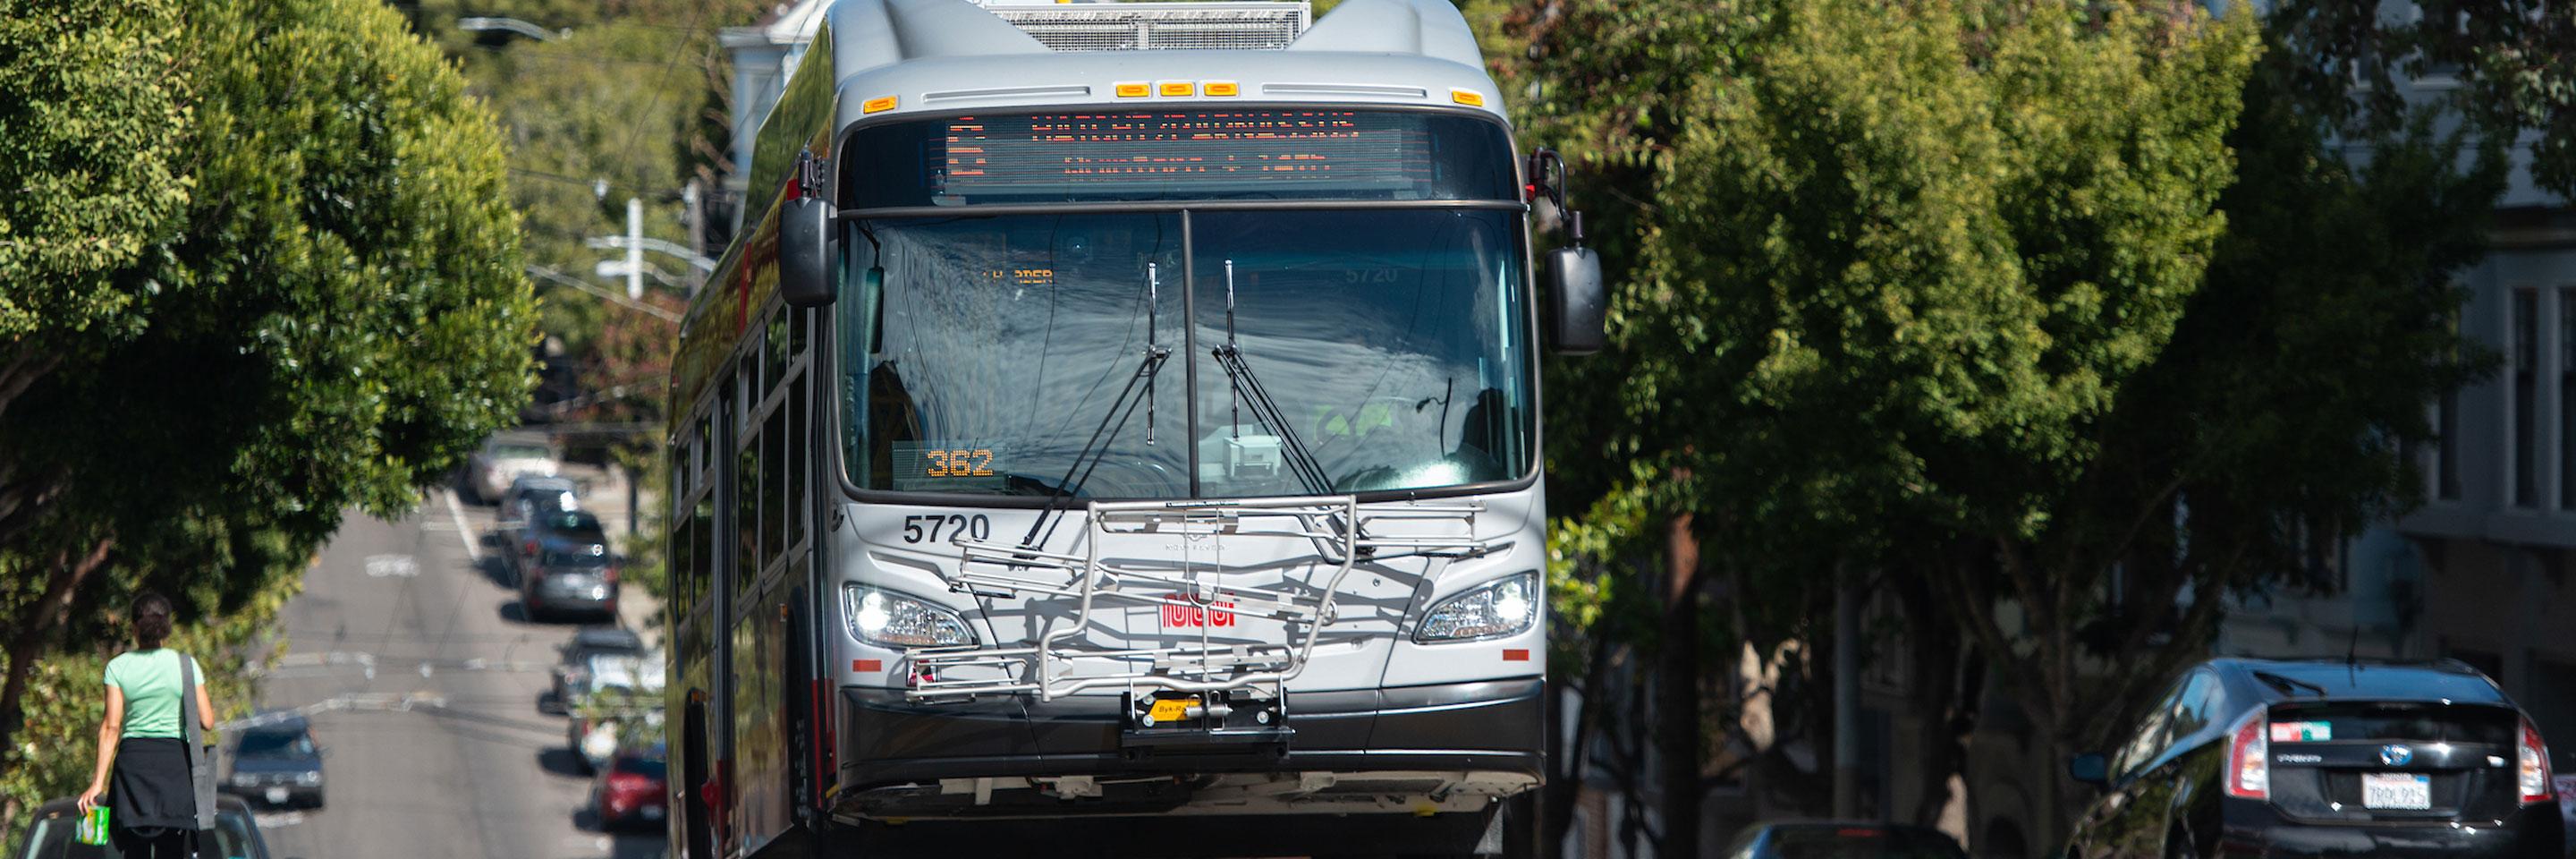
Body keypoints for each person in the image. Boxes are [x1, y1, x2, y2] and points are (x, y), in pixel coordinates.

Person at [75, 591, 213, 857]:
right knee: (172, 850)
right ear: (166, 626)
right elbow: (207, 720)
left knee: (134, 850)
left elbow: (111, 728)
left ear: (134, 627)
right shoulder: (186, 666)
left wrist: (97, 783)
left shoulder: (118, 667)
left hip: (133, 769)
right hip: (175, 769)